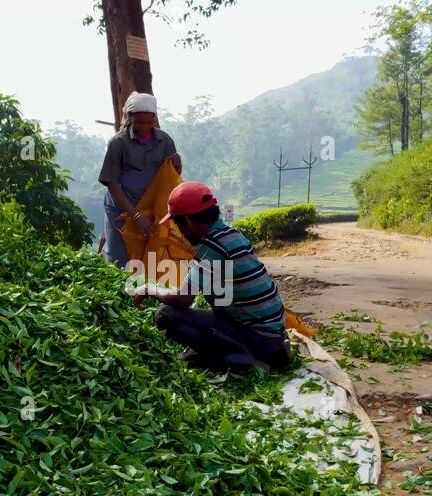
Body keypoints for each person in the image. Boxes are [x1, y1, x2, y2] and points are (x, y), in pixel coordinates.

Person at [132, 182, 292, 374]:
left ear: (188, 221)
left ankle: (243, 361)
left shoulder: (213, 246)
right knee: (211, 313)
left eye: (177, 223)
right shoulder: (232, 235)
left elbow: (182, 299)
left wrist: (150, 289)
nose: (180, 232)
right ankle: (228, 354)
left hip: (262, 342)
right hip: (274, 337)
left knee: (166, 314)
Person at [98, 92, 182, 268]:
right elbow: (112, 184)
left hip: (150, 207)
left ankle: (146, 293)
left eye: (148, 122)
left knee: (149, 257)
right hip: (122, 207)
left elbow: (171, 177)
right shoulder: (118, 143)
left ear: (154, 118)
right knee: (120, 259)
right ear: (130, 118)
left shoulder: (164, 140)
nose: (144, 127)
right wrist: (135, 215)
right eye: (139, 122)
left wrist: (178, 165)